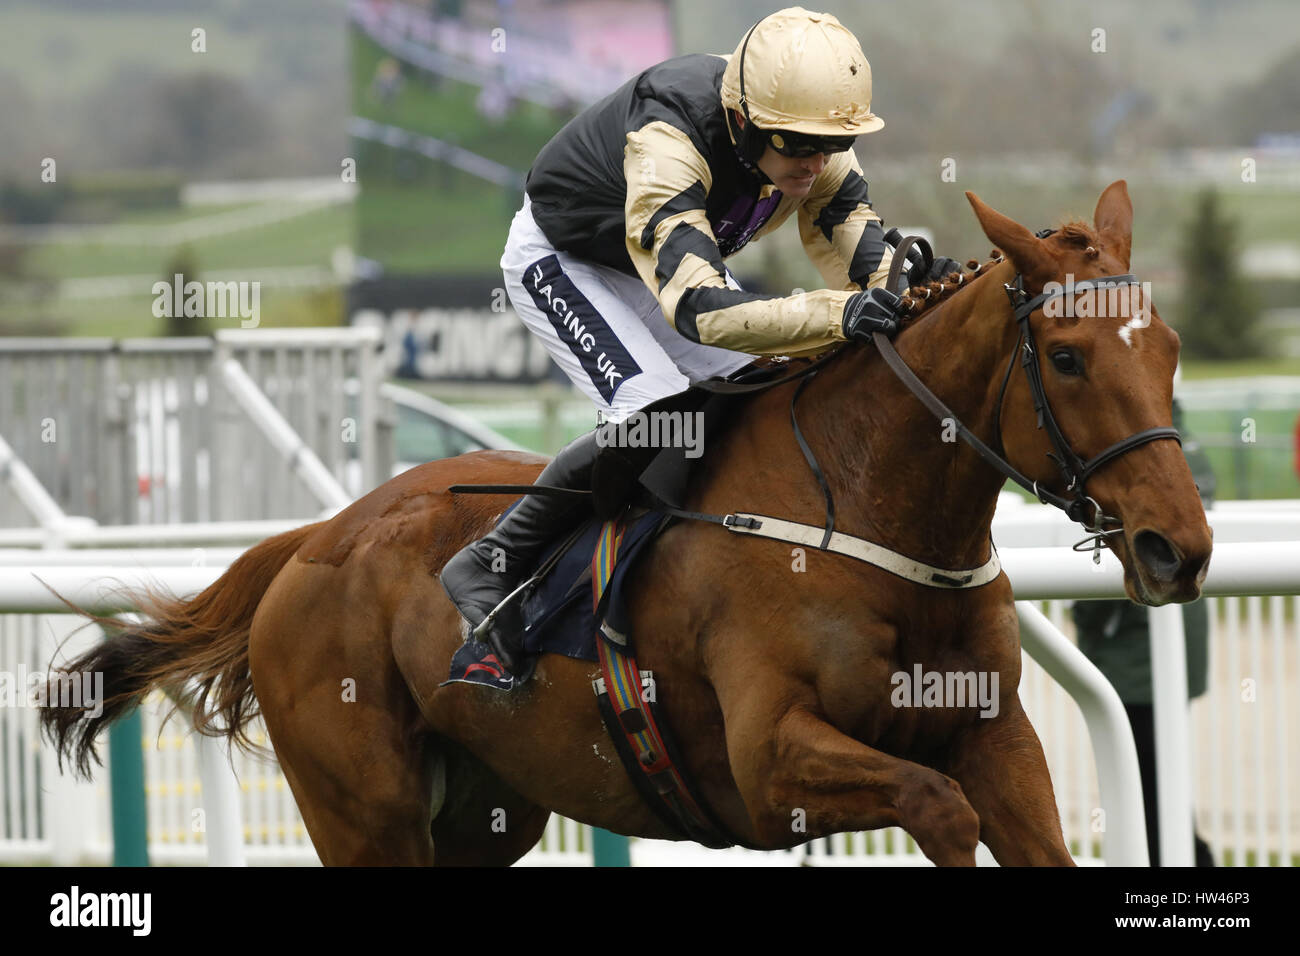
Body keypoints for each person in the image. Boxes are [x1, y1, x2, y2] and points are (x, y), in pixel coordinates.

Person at [440, 7, 960, 675]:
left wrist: (933, 285)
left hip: (655, 268)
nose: (813, 164)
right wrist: (839, 314)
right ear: (743, 123)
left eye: (826, 146)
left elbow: (863, 259)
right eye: (796, 146)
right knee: (662, 413)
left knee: (758, 390)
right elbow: (701, 308)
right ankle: (492, 559)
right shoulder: (669, 139)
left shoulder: (806, 128)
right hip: (568, 261)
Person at [1071, 398, 1216, 866]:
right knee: (1160, 777)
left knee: (1143, 783)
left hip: (1135, 650)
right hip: (1166, 646)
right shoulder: (1183, 443)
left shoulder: (1140, 438)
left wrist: (1089, 627)